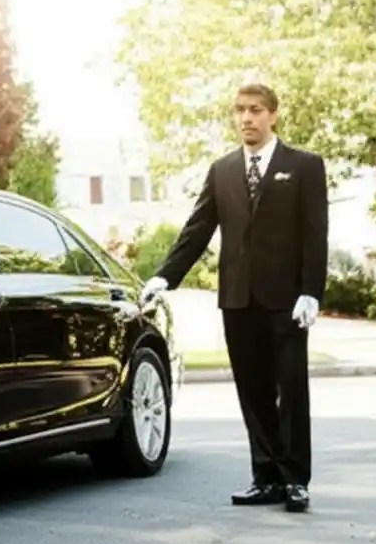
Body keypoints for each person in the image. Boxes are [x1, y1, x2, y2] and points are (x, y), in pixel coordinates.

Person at [140, 83, 328, 513]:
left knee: (291, 391)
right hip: (238, 300)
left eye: (256, 110)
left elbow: (316, 235)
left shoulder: (304, 167)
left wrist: (311, 293)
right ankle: (266, 477)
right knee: (253, 390)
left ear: (273, 115)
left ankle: (295, 480)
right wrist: (164, 278)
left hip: (287, 302)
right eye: (240, 110)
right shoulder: (222, 170)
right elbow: (197, 230)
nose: (247, 118)